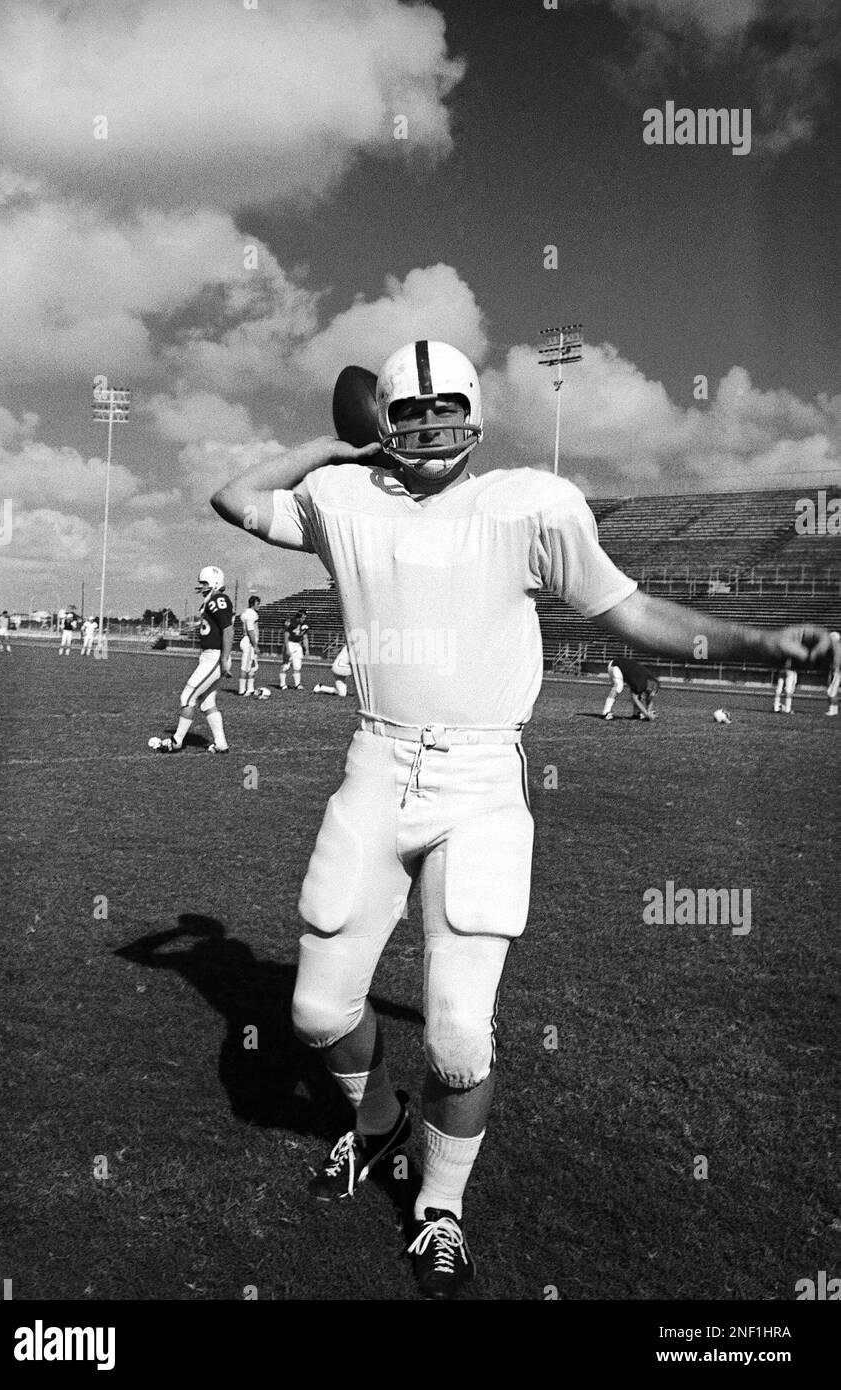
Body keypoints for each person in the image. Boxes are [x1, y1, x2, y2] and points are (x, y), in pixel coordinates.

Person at [210, 338, 837, 1300]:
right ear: (383, 423)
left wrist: (755, 640)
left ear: (475, 416)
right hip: (375, 765)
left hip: (478, 781)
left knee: (460, 1036)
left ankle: (439, 1209)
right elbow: (231, 496)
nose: (428, 434)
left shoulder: (529, 504)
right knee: (310, 1010)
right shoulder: (343, 499)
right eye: (406, 418)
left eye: (444, 414)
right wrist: (332, 449)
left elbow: (628, 613)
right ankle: (376, 1127)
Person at [150, 566, 233, 754]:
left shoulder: (218, 600)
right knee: (207, 703)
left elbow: (228, 630)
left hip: (214, 656)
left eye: (205, 583)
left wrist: (224, 658)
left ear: (215, 582)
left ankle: (177, 741)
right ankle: (221, 744)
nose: (201, 587)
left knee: (187, 697)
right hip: (208, 656)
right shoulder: (210, 600)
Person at [602, 654, 659, 720]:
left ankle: (636, 713)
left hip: (626, 669)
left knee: (639, 692)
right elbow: (635, 698)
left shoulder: (652, 683)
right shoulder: (641, 683)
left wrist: (649, 712)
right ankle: (605, 712)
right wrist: (647, 714)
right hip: (615, 665)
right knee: (618, 687)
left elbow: (649, 698)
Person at [280, 609, 309, 690]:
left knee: (297, 666)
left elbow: (305, 637)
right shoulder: (291, 622)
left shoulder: (305, 625)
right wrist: (287, 648)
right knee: (286, 666)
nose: (304, 619)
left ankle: (297, 684)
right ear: (298, 617)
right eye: (303, 617)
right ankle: (282, 684)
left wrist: (306, 649)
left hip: (298, 645)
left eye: (305, 617)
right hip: (289, 643)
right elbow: (286, 636)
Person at [238, 595, 261, 696]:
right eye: (257, 604)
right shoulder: (250, 614)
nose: (259, 606)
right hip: (249, 642)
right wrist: (255, 645)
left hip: (249, 641)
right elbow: (250, 630)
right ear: (252, 603)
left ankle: (250, 689)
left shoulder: (247, 613)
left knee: (252, 666)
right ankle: (242, 690)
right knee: (245, 666)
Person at [826, 632, 840, 717]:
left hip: (837, 672)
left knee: (831, 692)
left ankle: (832, 710)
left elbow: (836, 662)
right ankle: (834, 710)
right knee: (832, 691)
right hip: (835, 672)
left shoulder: (837, 648)